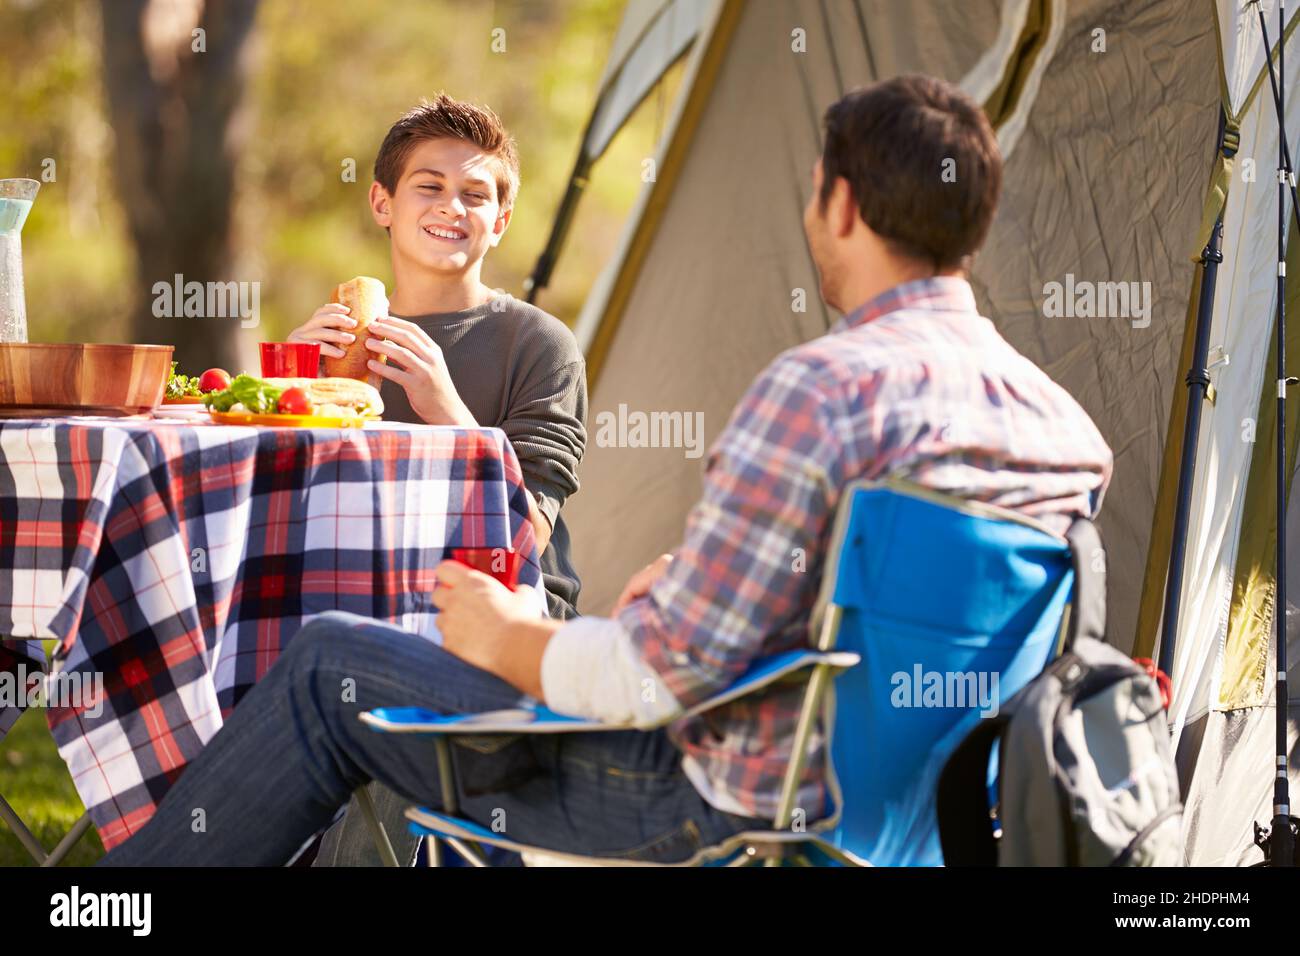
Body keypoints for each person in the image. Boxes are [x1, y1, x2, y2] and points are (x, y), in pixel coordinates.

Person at [100, 74, 1113, 867]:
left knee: (325, 661)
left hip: (704, 797)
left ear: (839, 202)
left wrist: (511, 635)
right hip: (923, 819)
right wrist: (680, 592)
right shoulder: (1065, 432)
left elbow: (653, 675)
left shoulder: (821, 390)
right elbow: (874, 619)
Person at [288, 94, 587, 866]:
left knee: (382, 669)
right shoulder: (331, 348)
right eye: (429, 186)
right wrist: (283, 392)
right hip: (336, 599)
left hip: (490, 613)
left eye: (476, 194)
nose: (452, 207)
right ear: (383, 203)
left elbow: (530, 529)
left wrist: (447, 407)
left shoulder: (538, 346)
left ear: (501, 221)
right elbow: (283, 516)